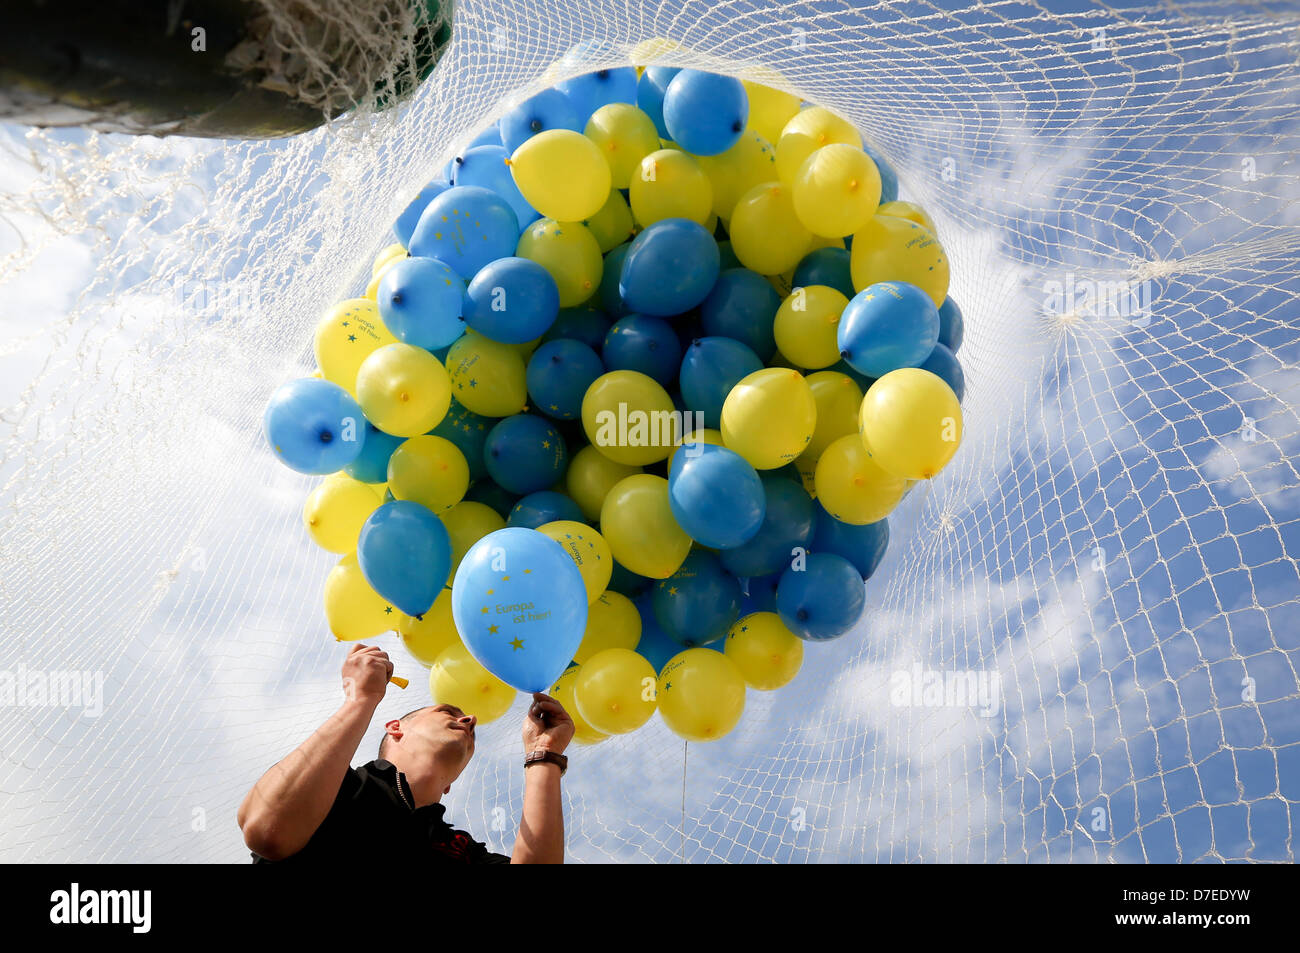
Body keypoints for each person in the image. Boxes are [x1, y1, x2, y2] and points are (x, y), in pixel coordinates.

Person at [238, 643, 574, 863]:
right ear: (396, 727)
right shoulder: (336, 785)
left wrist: (544, 756)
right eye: (448, 711)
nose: (469, 720)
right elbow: (267, 829)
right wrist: (361, 699)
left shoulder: (460, 850)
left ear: (450, 785)